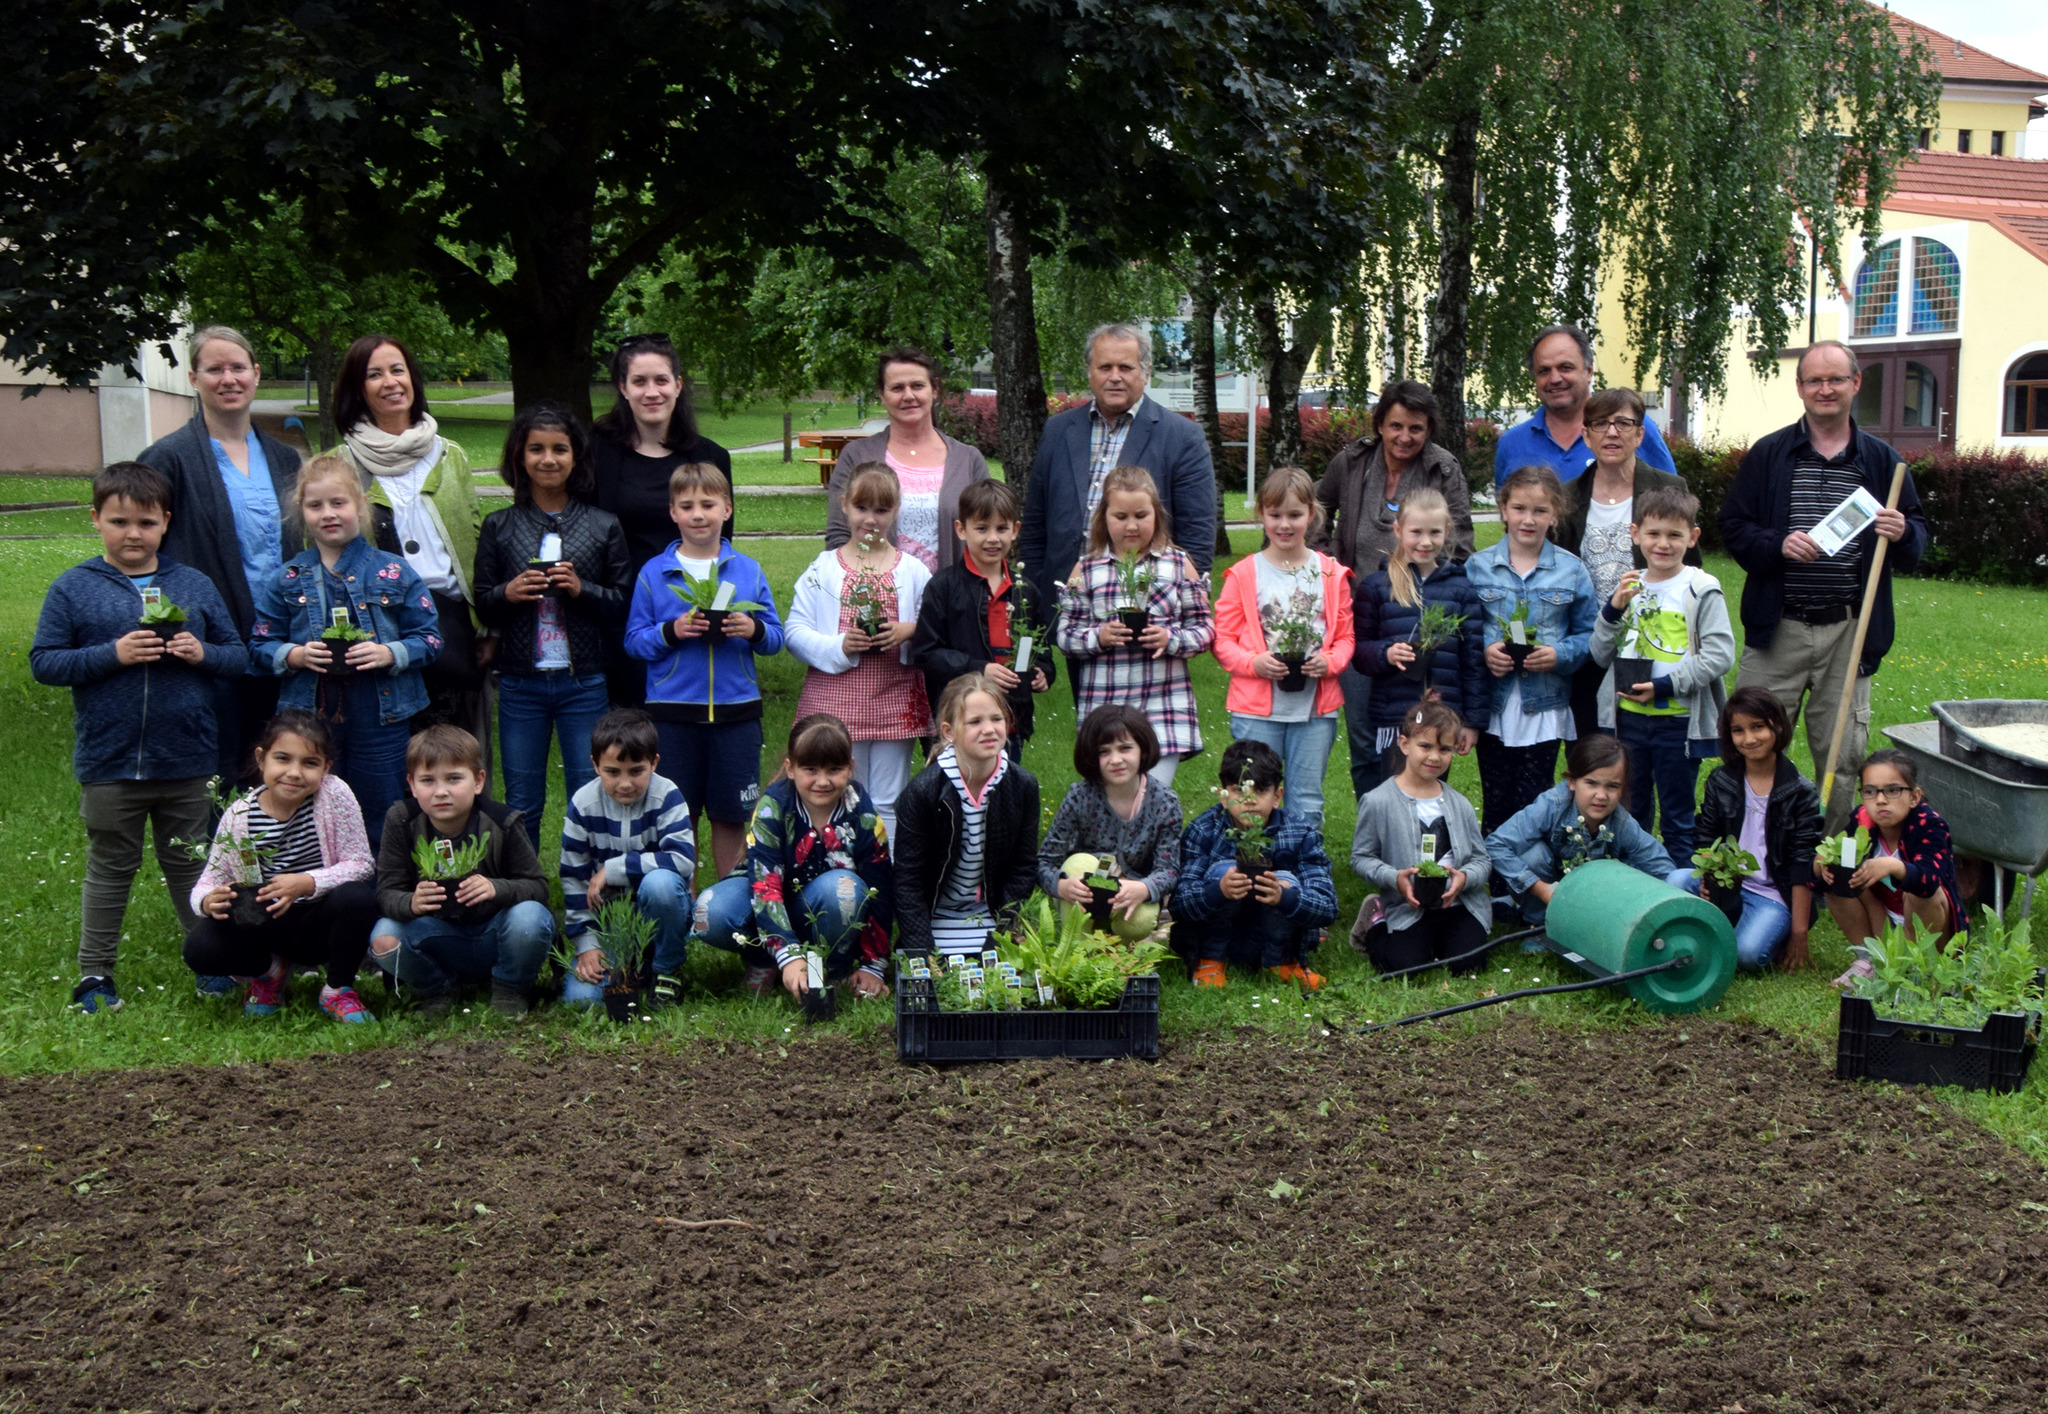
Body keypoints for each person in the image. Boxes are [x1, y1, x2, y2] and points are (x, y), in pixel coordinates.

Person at [30, 461, 248, 1014]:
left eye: (146, 523)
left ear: (165, 523)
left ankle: (212, 962)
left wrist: (202, 654)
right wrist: (113, 653)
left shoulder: (192, 584)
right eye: (120, 521)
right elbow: (45, 662)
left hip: (187, 755)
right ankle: (95, 975)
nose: (133, 533)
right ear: (96, 519)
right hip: (110, 760)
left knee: (191, 867)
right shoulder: (74, 588)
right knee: (110, 867)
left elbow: (238, 656)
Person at [1719, 340, 1930, 834]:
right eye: (1814, 380)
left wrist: (1903, 532)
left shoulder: (1882, 462)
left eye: (1836, 379)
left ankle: (1826, 859)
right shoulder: (1770, 454)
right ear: (1800, 388)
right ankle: (1750, 850)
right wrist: (1777, 544)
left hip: (1848, 632)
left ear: (1856, 384)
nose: (1825, 388)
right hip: (1779, 629)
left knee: (1842, 752)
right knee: (1753, 741)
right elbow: (1733, 525)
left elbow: (1918, 537)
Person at [250, 455, 442, 850]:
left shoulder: (394, 572)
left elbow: (431, 638)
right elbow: (259, 643)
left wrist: (391, 653)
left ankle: (378, 900)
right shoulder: (286, 578)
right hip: (310, 719)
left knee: (381, 810)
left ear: (360, 504)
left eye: (339, 503)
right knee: (311, 808)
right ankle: (319, 894)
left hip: (381, 716)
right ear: (301, 512)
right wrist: (294, 655)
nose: (328, 514)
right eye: (315, 505)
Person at [138, 325, 302, 782]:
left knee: (279, 762)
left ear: (256, 373)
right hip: (212, 637)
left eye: (237, 367)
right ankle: (221, 852)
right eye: (214, 369)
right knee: (222, 766)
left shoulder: (285, 459)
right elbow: (141, 550)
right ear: (194, 378)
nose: (227, 378)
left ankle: (278, 852)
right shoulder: (168, 459)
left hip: (281, 635)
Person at [473, 402, 631, 849]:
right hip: (522, 684)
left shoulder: (602, 526)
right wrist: (507, 592)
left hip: (584, 682)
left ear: (576, 457)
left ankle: (593, 889)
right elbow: (483, 603)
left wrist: (582, 589)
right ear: (519, 457)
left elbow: (622, 603)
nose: (548, 459)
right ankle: (528, 896)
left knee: (591, 792)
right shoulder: (500, 526)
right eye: (536, 449)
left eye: (560, 449)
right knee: (523, 798)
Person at [1313, 381, 1475, 801]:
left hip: (1425, 620)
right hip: (1362, 613)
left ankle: (1421, 816)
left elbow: (1461, 539)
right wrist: (1330, 564)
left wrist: (1433, 589)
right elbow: (1318, 509)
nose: (1405, 437)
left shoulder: (1443, 469)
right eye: (1396, 426)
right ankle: (1375, 819)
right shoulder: (1351, 462)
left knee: (1426, 732)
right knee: (1368, 732)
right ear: (1380, 424)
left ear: (1429, 430)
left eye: (1416, 428)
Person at [622, 463, 784, 877]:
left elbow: (776, 639)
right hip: (672, 714)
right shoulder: (654, 573)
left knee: (732, 813)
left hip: (737, 713)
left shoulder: (747, 570)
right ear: (672, 512)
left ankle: (726, 901)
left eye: (708, 504)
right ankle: (684, 900)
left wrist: (752, 628)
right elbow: (633, 641)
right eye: (687, 505)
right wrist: (672, 631)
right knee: (680, 812)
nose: (699, 514)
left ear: (727, 509)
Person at [333, 334, 491, 755]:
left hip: (451, 629)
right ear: (358, 387)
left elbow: (474, 543)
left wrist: (486, 627)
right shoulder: (342, 464)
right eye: (374, 374)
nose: (390, 382)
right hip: (380, 632)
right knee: (394, 757)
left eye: (397, 369)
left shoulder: (449, 455)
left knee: (453, 756)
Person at [182, 711, 380, 1023]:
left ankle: (338, 989)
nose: (294, 772)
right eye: (283, 759)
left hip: (321, 919)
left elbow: (361, 864)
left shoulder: (335, 795)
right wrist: (207, 901)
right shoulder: (239, 816)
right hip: (268, 921)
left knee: (357, 897)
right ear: (262, 759)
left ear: (326, 767)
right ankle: (270, 973)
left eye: (309, 763)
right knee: (199, 947)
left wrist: (308, 882)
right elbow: (209, 881)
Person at [687, 714, 895, 1003]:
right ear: (790, 768)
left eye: (834, 769)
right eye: (810, 769)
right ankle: (764, 959)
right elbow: (764, 886)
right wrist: (787, 953)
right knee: (708, 913)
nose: (822, 781)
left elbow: (881, 887)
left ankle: (832, 968)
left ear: (850, 768)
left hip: (827, 905)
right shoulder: (774, 807)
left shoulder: (863, 813)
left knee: (843, 889)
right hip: (769, 900)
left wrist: (874, 965)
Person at [1020, 321, 1217, 609]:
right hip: (1063, 604)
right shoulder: (1057, 431)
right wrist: (1035, 595)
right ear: (1089, 371)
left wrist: (1177, 607)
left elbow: (1197, 534)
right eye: (1105, 367)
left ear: (1146, 372)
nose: (1115, 377)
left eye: (1125, 368)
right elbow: (1036, 526)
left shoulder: (1182, 437)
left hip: (1146, 606)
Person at [1587, 485, 1734, 864]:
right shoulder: (1629, 587)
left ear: (1693, 537)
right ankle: (1634, 881)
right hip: (1628, 721)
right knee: (1631, 811)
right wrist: (1612, 610)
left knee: (1677, 814)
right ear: (1635, 534)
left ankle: (1679, 887)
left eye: (1674, 535)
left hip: (1677, 722)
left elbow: (1719, 655)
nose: (1662, 544)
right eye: (1653, 534)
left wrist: (1665, 686)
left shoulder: (1701, 589)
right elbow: (1599, 652)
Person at [786, 463, 932, 841]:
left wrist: (909, 630)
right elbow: (795, 632)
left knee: (887, 797)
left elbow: (937, 626)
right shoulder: (824, 568)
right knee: (840, 792)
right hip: (835, 700)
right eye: (862, 508)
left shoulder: (913, 571)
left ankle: (888, 879)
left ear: (896, 509)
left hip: (894, 699)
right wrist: (839, 645)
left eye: (882, 510)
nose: (871, 519)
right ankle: (840, 873)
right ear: (844, 506)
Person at [586, 333, 734, 705]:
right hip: (621, 612)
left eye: (661, 380)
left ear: (678, 385)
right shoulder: (596, 451)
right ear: (622, 388)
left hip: (688, 613)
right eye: (639, 381)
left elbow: (723, 546)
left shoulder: (711, 457)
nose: (652, 392)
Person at [368, 725, 554, 1019]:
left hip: (495, 933)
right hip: (437, 934)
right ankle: (435, 988)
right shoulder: (402, 821)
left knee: (531, 916)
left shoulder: (502, 822)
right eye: (427, 781)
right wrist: (410, 902)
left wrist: (497, 888)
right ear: (412, 785)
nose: (441, 792)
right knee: (383, 937)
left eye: (454, 779)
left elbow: (539, 887)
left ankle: (510, 987)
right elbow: (386, 892)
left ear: (479, 781)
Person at [1550, 386, 1700, 738]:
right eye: (1600, 423)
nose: (1612, 432)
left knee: (1646, 751)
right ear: (1586, 435)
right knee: (1590, 750)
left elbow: (1692, 570)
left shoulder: (1669, 487)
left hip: (1652, 641)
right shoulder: (1568, 496)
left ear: (1640, 434)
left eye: (1623, 423)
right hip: (1589, 642)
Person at [1211, 467, 1355, 831]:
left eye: (1295, 515)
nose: (1285, 525)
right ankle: (1254, 870)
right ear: (1261, 514)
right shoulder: (1244, 574)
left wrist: (1330, 662)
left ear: (1312, 513)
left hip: (1314, 711)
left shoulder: (1330, 573)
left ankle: (1305, 876)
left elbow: (1345, 638)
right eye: (1275, 515)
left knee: (1307, 798)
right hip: (1256, 709)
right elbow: (1223, 640)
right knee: (1252, 793)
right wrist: (1252, 662)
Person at [1054, 466, 1214, 788]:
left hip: (1164, 703)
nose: (1131, 525)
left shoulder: (1179, 564)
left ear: (1156, 514)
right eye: (1121, 516)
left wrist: (1171, 638)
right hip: (1106, 703)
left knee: (1152, 797)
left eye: (1141, 515)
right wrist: (1098, 637)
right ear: (1104, 518)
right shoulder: (1086, 568)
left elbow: (1204, 628)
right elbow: (1065, 634)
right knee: (1113, 801)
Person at [1464, 466, 1596, 842]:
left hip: (1545, 705)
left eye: (1540, 511)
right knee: (1496, 795)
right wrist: (1487, 646)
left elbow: (1590, 634)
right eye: (1519, 508)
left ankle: (1527, 881)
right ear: (1503, 509)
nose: (1528, 519)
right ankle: (1498, 886)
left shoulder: (1571, 570)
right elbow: (1466, 627)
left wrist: (1559, 653)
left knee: (1534, 796)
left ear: (1555, 515)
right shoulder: (1478, 567)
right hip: (1495, 705)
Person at [892, 675, 1042, 958]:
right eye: (975, 722)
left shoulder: (1023, 786)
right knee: (936, 979)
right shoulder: (923, 792)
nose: (989, 730)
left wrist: (1002, 933)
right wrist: (920, 948)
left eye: (996, 719)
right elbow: (908, 880)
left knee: (1005, 977)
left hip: (991, 913)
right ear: (949, 731)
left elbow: (1023, 868)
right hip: (936, 915)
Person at [1172, 739, 1339, 991]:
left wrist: (1285, 896)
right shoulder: (1202, 830)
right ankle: (1210, 960)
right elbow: (1179, 905)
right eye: (1240, 791)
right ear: (1224, 796)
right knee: (1223, 870)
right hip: (1219, 932)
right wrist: (1217, 890)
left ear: (1277, 796)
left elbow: (1327, 907)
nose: (1249, 801)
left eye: (1260, 790)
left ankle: (1282, 962)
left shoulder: (1301, 833)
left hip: (1274, 932)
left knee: (1285, 878)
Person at [558, 709, 696, 1010]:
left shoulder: (667, 796)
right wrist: (587, 945)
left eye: (636, 771)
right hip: (609, 929)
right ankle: (631, 968)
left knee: (661, 883)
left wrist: (615, 869)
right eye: (612, 772)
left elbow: (683, 860)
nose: (624, 783)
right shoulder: (583, 804)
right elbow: (573, 878)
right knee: (581, 1001)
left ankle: (666, 968)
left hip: (659, 919)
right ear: (595, 765)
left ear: (654, 763)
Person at [1677, 686, 1821, 972]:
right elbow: (1706, 837)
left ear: (1778, 726)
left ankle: (1744, 932)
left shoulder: (1800, 792)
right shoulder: (1722, 780)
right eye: (1738, 730)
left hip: (1772, 894)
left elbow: (1801, 864)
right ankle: (1721, 925)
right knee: (1675, 880)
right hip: (1729, 885)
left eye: (1758, 727)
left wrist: (1799, 932)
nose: (1749, 739)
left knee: (1748, 954)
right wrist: (1708, 881)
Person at [1352, 488, 1486, 794]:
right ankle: (1390, 844)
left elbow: (1473, 660)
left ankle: (1430, 843)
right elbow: (1359, 652)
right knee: (1394, 795)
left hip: (1443, 716)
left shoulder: (1461, 588)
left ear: (1447, 532)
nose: (1425, 542)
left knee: (1431, 795)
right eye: (1416, 532)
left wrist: (1472, 721)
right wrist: (1386, 653)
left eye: (1434, 532)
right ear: (1398, 530)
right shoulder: (1376, 587)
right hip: (1394, 714)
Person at [910, 479, 1055, 759]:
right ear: (961, 529)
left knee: (1003, 791)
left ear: (1015, 530)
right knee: (957, 793)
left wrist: (1044, 673)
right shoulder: (944, 587)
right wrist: (978, 669)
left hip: (1009, 721)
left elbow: (1039, 647)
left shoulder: (1026, 591)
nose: (993, 538)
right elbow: (926, 653)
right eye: (981, 528)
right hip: (961, 720)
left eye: (1002, 529)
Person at [1349, 702, 1492, 975]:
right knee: (1402, 967)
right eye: (1425, 746)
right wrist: (1394, 878)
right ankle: (1376, 921)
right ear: (1404, 744)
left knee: (1469, 965)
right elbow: (1361, 858)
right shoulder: (1378, 802)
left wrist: (1465, 879)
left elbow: (1481, 859)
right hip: (1406, 904)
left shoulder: (1459, 804)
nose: (1435, 757)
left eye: (1445, 749)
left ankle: (1442, 939)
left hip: (1457, 903)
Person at [1484, 735, 1681, 928]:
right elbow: (1496, 844)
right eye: (1591, 783)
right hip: (1547, 889)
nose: (1601, 795)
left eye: (1612, 786)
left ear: (1622, 790)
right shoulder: (1552, 805)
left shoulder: (1621, 823)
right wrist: (1539, 888)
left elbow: (1660, 866)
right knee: (1534, 856)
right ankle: (1538, 923)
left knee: (1633, 867)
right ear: (1571, 781)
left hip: (1593, 898)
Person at [825, 346, 990, 574]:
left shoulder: (968, 460)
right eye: (897, 388)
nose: (909, 395)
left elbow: (987, 537)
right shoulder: (857, 456)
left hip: (951, 603)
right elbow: (838, 536)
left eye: (918, 386)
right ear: (882, 395)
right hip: (877, 600)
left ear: (935, 389)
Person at [1037, 705, 1182, 936]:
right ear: (1092, 756)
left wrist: (1145, 888)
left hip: (1129, 893)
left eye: (1125, 748)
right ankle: (1079, 952)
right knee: (1079, 863)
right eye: (1104, 752)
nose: (1115, 760)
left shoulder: (1165, 802)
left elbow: (1170, 870)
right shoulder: (1080, 796)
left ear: (1143, 750)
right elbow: (1044, 861)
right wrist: (1061, 886)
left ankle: (1124, 954)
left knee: (1142, 919)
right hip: (1082, 892)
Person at [1492, 324, 1677, 487]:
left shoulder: (1630, 427)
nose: (1555, 379)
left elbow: (1672, 503)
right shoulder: (1512, 444)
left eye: (1566, 368)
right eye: (1544, 371)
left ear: (1589, 372)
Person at [1819, 749, 1966, 953]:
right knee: (1836, 878)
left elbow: (1931, 880)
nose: (1880, 800)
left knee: (1920, 894)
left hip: (1932, 930)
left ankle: (1918, 967)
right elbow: (1816, 875)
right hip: (1882, 920)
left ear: (1914, 797)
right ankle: (1869, 957)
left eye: (1893, 790)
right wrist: (1824, 865)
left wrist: (1895, 866)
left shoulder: (1930, 825)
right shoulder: (1862, 821)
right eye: (1870, 791)